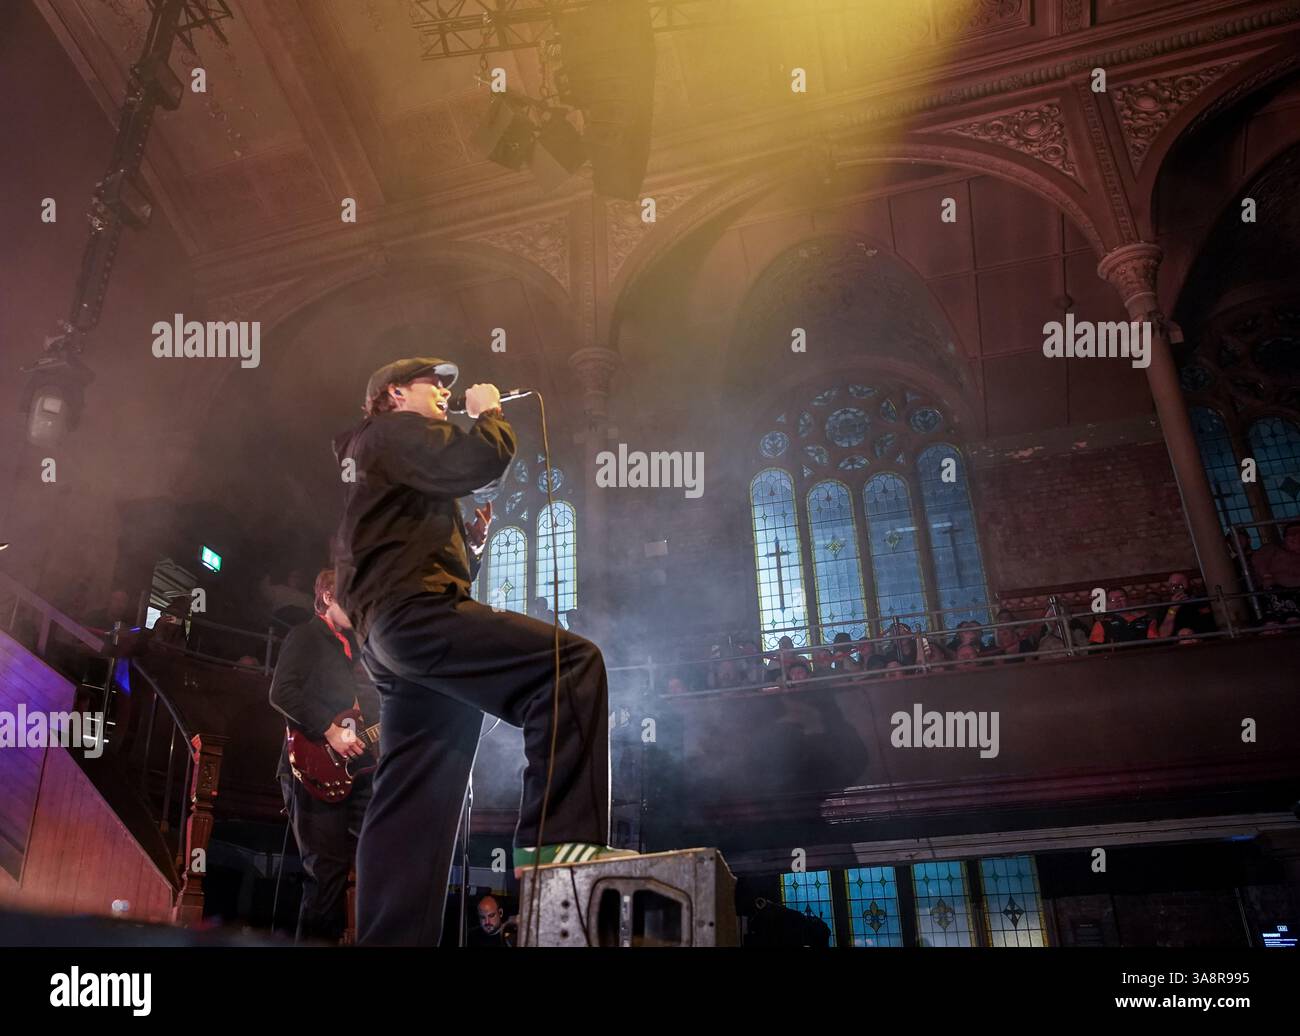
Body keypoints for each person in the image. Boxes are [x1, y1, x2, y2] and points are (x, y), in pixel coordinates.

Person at [332, 334, 631, 947]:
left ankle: (391, 940)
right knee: (571, 666)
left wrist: (469, 542)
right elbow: (475, 463)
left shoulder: (381, 457)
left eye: (449, 386)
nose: (445, 391)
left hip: (393, 637)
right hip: (415, 616)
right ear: (393, 394)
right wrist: (490, 412)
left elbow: (425, 516)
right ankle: (560, 873)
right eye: (431, 383)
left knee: (418, 781)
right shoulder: (388, 433)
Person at [268, 569, 375, 943]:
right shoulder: (306, 635)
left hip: (349, 771)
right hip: (310, 765)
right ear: (328, 596)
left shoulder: (351, 648)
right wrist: (330, 731)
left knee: (375, 855)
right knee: (325, 875)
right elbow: (281, 692)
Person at [1156, 572, 1216, 641]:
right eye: (1173, 585)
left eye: (1180, 584)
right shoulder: (1164, 607)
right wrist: (1173, 609)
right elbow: (1163, 635)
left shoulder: (1202, 602)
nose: (1177, 588)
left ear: (1189, 584)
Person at [1088, 588, 1157, 645]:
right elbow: (1095, 650)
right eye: (1112, 600)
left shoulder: (1146, 620)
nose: (1117, 601)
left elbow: (1156, 645)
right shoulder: (1101, 624)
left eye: (1121, 598)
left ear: (1128, 600)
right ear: (1107, 604)